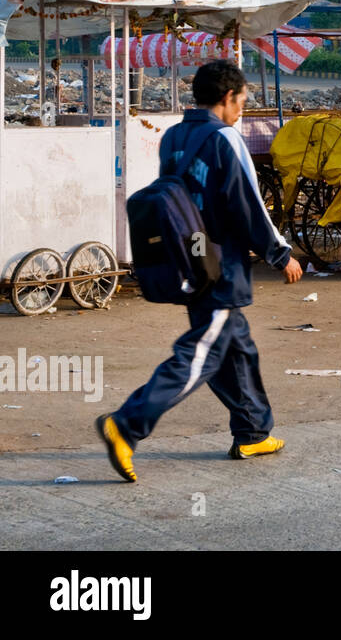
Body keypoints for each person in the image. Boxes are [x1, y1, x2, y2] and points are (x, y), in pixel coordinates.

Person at [96, 61, 303, 482]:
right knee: (202, 353)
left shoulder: (173, 135)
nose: (242, 109)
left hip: (188, 258)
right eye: (242, 101)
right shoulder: (226, 137)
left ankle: (252, 431)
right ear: (228, 97)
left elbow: (177, 202)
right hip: (219, 264)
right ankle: (128, 423)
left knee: (235, 348)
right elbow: (249, 204)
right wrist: (280, 254)